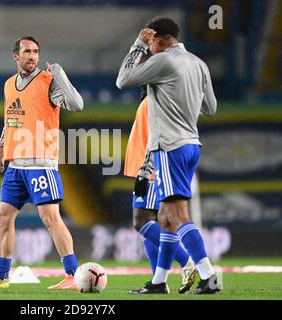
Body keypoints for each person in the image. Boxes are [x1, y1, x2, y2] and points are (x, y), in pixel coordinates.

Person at [117, 17, 218, 294]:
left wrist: (138, 44)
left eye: (151, 44)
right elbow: (210, 107)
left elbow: (122, 80)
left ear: (159, 39)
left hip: (169, 147)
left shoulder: (163, 61)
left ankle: (208, 275)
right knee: (164, 217)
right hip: (191, 145)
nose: (150, 50)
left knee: (177, 215)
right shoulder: (199, 64)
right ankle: (159, 282)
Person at [0, 36, 84, 290]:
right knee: (3, 216)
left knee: (50, 217)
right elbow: (10, 121)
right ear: (16, 56)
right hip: (16, 164)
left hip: (41, 162)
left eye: (36, 52)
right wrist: (0, 150)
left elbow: (77, 104)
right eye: (27, 52)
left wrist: (59, 73)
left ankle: (73, 275)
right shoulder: (8, 85)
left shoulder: (49, 81)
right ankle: (1, 277)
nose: (33, 57)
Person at [124, 88, 198, 294]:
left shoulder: (154, 101)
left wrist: (144, 171)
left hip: (151, 172)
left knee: (141, 222)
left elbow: (155, 137)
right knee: (151, 228)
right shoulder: (151, 100)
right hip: (151, 170)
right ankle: (159, 283)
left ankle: (187, 261)